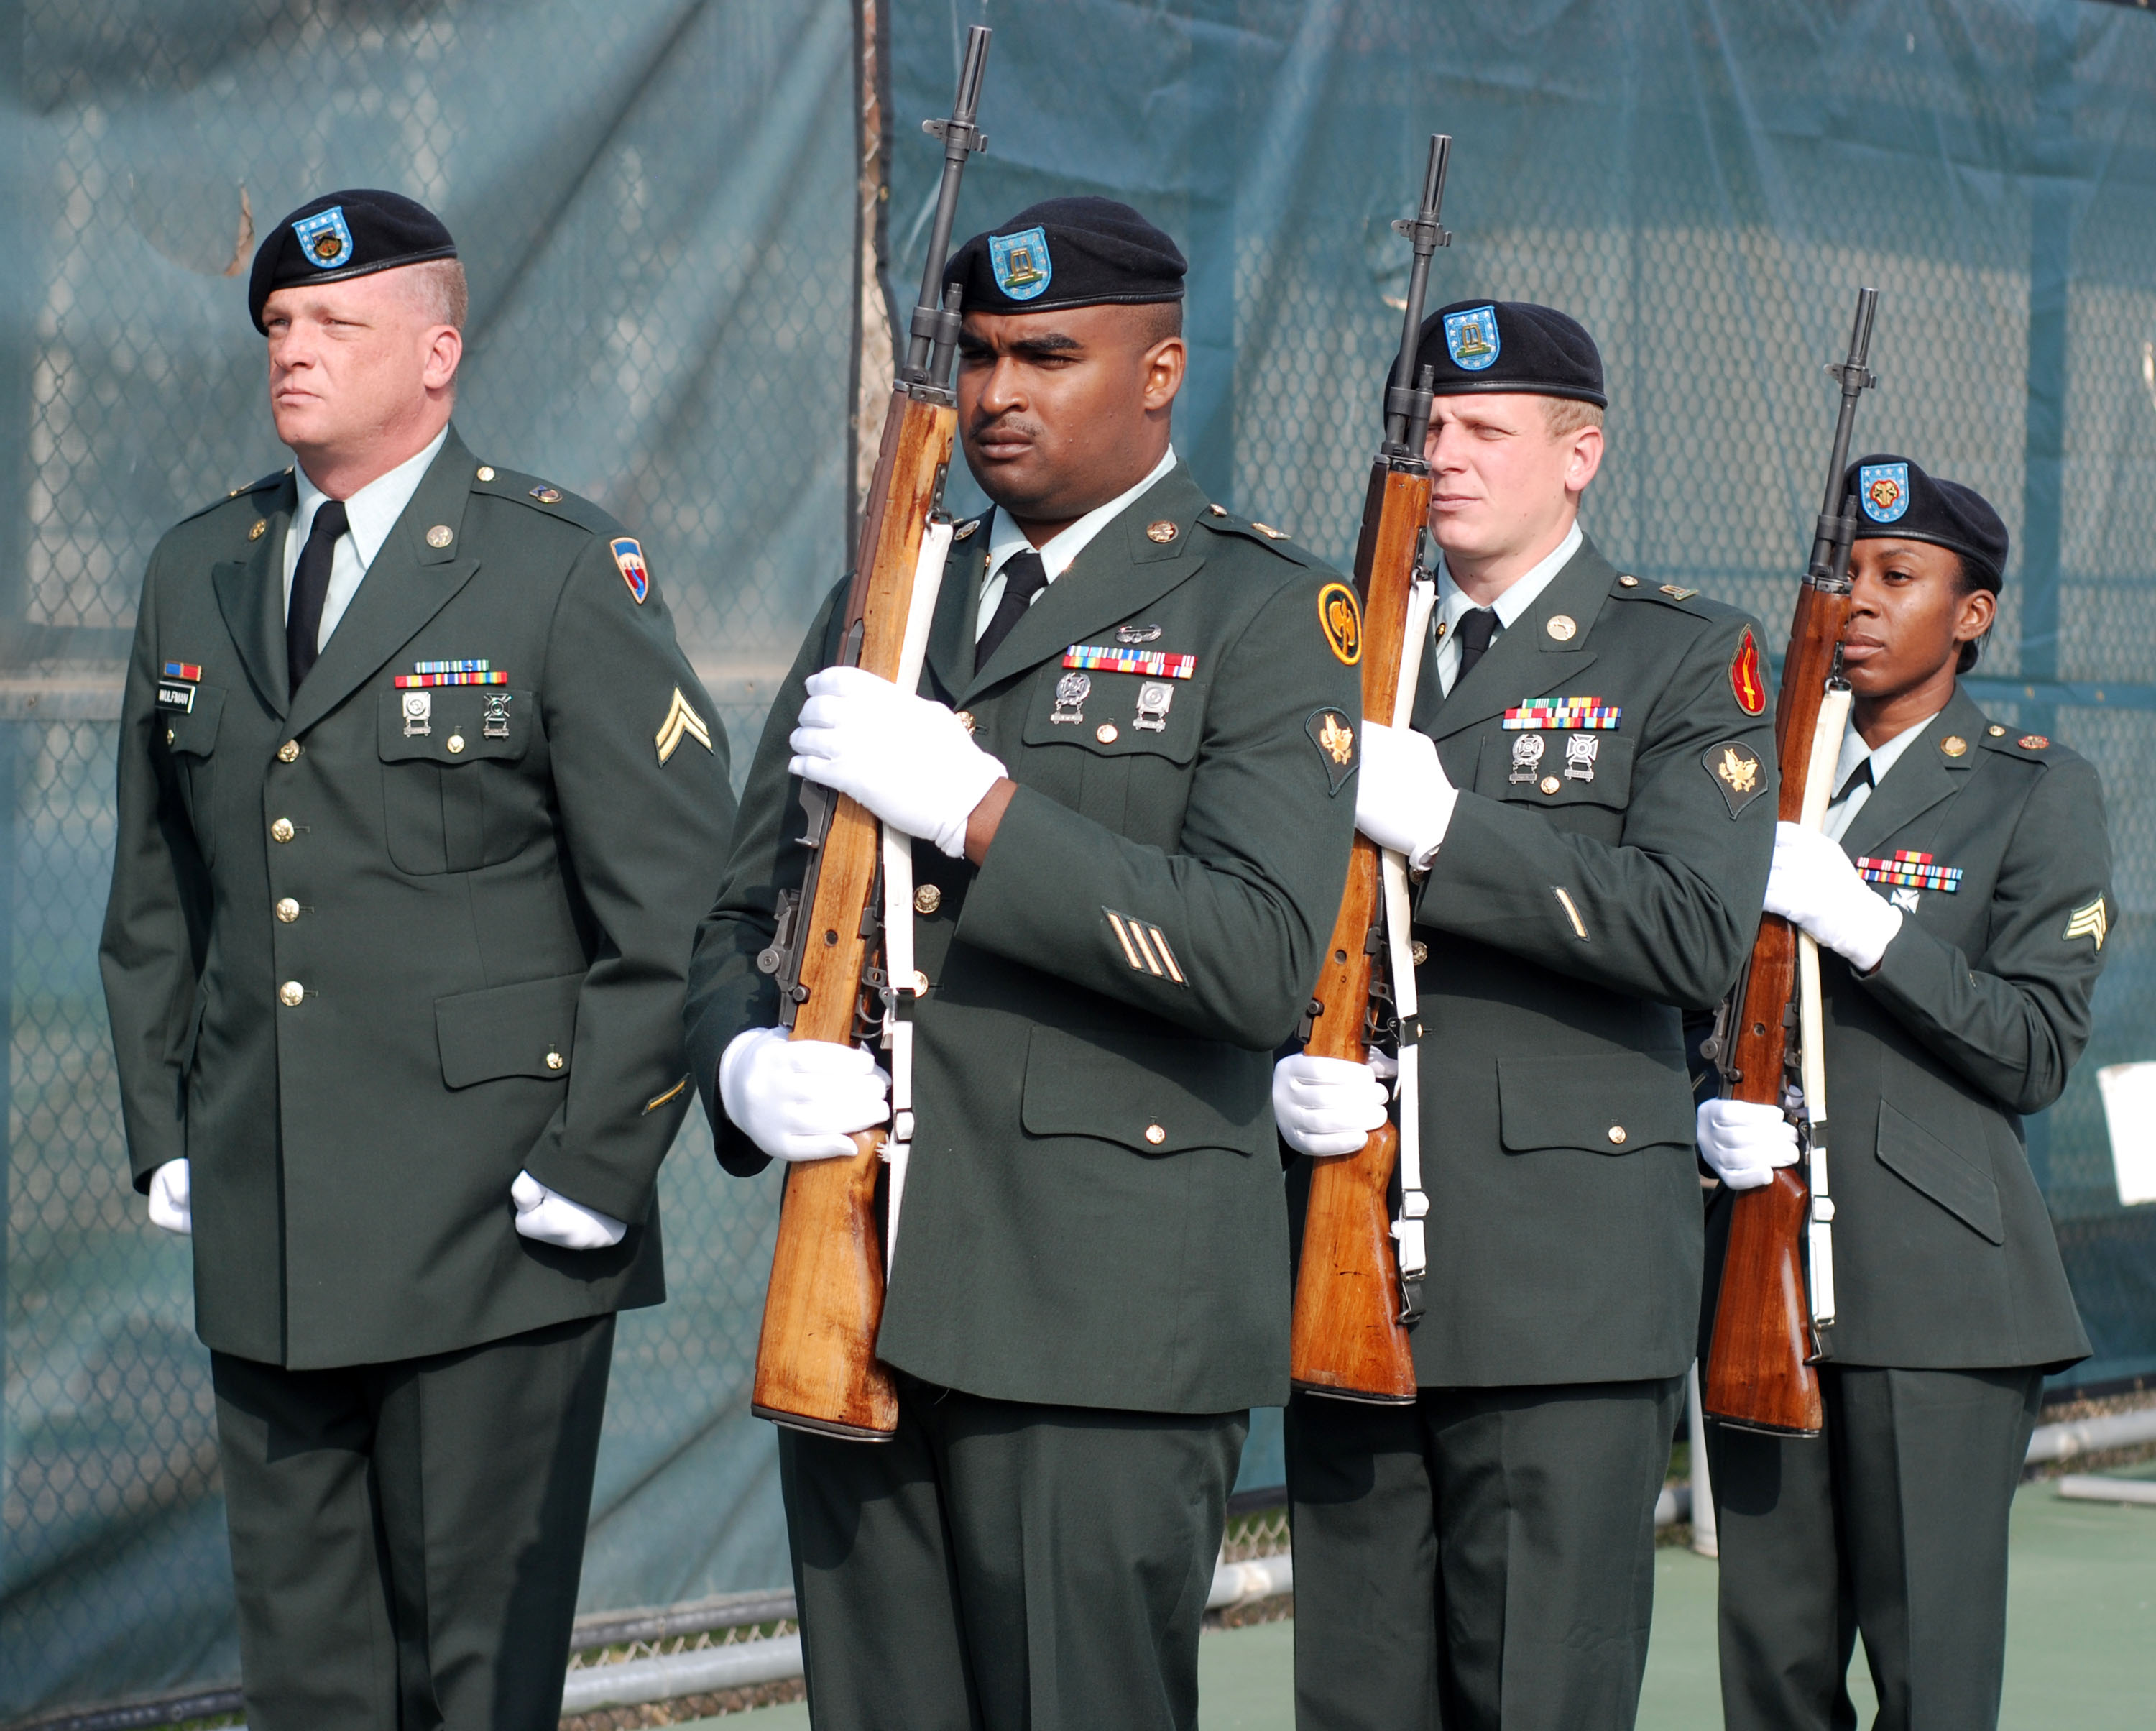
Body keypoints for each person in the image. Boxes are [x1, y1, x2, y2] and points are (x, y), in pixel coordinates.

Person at [684, 196, 1359, 1730]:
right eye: (982, 355)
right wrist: (736, 1057)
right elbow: (735, 914)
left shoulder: (1263, 609)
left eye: (1049, 355)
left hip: (1103, 1320)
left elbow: (1258, 953)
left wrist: (987, 812)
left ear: (1162, 370)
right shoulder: (886, 597)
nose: (999, 393)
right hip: (861, 1282)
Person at [98, 189, 734, 1730]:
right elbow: (155, 883)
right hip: (273, 1214)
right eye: (277, 327)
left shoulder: (558, 570)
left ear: (438, 354)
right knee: (312, 1680)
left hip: (491, 1225)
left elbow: (675, 901)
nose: (292, 353)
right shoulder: (202, 566)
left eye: (335, 325)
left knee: (471, 1676)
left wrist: (597, 1163)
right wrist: (165, 1122)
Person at [1273, 300, 1779, 1730]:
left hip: (1562, 1287)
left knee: (1539, 1700)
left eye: (1487, 429)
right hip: (1346, 1255)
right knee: (1359, 1701)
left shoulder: (1682, 656)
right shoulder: (1323, 640)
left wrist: (1449, 830)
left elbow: (1691, 928)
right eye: (1425, 427)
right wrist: (1270, 1064)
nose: (1447, 457)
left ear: (1579, 455)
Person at [1695, 456, 2106, 1731]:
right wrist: (1698, 1099)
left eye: (1901, 577)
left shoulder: (2031, 788)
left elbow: (2034, 1045)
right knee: (1772, 1670)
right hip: (1755, 1266)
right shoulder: (1747, 775)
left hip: (1938, 1296)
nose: (1863, 603)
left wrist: (1866, 926)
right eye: (1847, 577)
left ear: (1971, 613)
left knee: (1929, 1675)